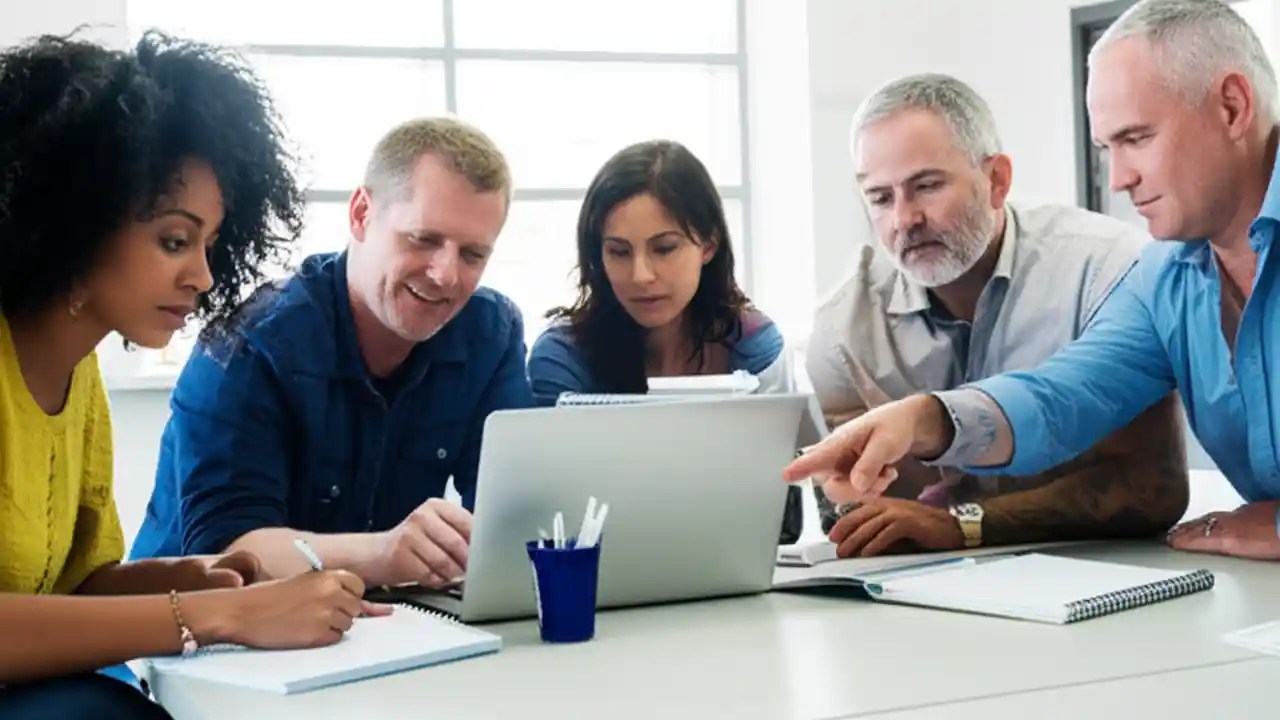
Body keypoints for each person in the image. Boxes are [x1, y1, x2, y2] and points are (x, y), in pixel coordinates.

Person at [785, 0, 1280, 562]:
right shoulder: (1163, 277)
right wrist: (927, 419)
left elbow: (1150, 485)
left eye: (1137, 138)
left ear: (1233, 107)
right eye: (1106, 148)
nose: (1119, 180)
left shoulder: (1113, 262)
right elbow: (1062, 397)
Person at [0, 33, 379, 718]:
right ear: (74, 218)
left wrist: (194, 580)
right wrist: (223, 615)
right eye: (175, 241)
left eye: (209, 245)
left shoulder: (78, 375)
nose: (203, 277)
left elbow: (67, 589)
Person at [130, 117, 533, 588]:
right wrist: (385, 553)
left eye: (472, 255)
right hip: (190, 641)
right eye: (423, 240)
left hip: (374, 628)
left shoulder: (490, 332)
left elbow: (514, 507)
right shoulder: (252, 344)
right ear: (361, 214)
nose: (445, 275)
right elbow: (228, 550)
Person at [804, 72, 1187, 559]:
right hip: (927, 592)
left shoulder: (1106, 270)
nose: (904, 220)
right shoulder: (844, 327)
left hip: (1102, 570)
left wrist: (961, 524)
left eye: (926, 186)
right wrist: (847, 498)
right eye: (880, 197)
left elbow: (1151, 487)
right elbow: (859, 511)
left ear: (997, 180)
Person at [527, 140, 800, 542]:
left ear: (707, 244)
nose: (641, 275)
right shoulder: (563, 356)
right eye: (618, 252)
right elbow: (559, 517)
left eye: (665, 248)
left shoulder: (755, 345)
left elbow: (779, 516)